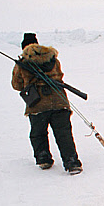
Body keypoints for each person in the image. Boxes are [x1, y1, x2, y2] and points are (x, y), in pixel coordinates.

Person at [11, 33, 83, 174]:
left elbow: (16, 85)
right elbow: (60, 76)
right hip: (59, 101)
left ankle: (44, 159)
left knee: (38, 133)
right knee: (64, 133)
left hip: (37, 104)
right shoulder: (52, 59)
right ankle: (72, 163)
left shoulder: (22, 63)